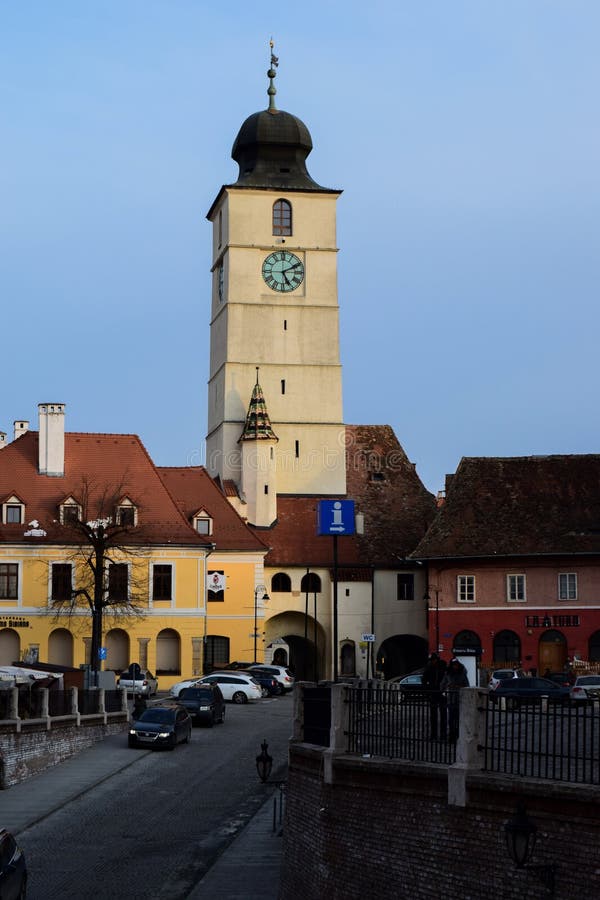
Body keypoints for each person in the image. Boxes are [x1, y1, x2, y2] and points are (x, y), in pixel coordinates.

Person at [441, 658, 469, 742]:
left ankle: (458, 735)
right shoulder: (448, 673)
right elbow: (442, 684)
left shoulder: (462, 673)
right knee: (451, 719)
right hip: (450, 698)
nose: (455, 666)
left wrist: (459, 687)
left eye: (456, 665)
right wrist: (444, 689)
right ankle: (452, 735)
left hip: (459, 699)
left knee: (458, 718)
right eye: (453, 665)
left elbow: (466, 685)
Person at [422, 652, 447, 740]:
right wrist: (427, 689)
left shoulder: (443, 666)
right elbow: (424, 679)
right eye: (432, 660)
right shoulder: (429, 667)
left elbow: (446, 678)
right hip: (433, 692)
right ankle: (434, 735)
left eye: (434, 660)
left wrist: (444, 688)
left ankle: (443, 735)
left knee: (443, 715)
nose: (433, 661)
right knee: (433, 715)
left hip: (441, 692)